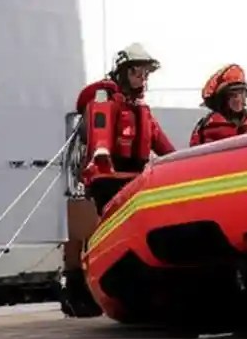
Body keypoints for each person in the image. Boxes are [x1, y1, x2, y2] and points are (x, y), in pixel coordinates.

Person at [74, 43, 175, 212]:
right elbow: (100, 128)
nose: (142, 77)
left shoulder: (142, 111)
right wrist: (101, 152)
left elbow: (162, 144)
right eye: (137, 71)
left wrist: (178, 162)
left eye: (145, 73)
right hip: (107, 178)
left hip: (136, 179)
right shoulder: (103, 102)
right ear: (124, 72)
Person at [190, 64, 247, 145]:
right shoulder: (208, 125)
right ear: (223, 98)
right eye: (233, 94)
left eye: (242, 93)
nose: (238, 98)